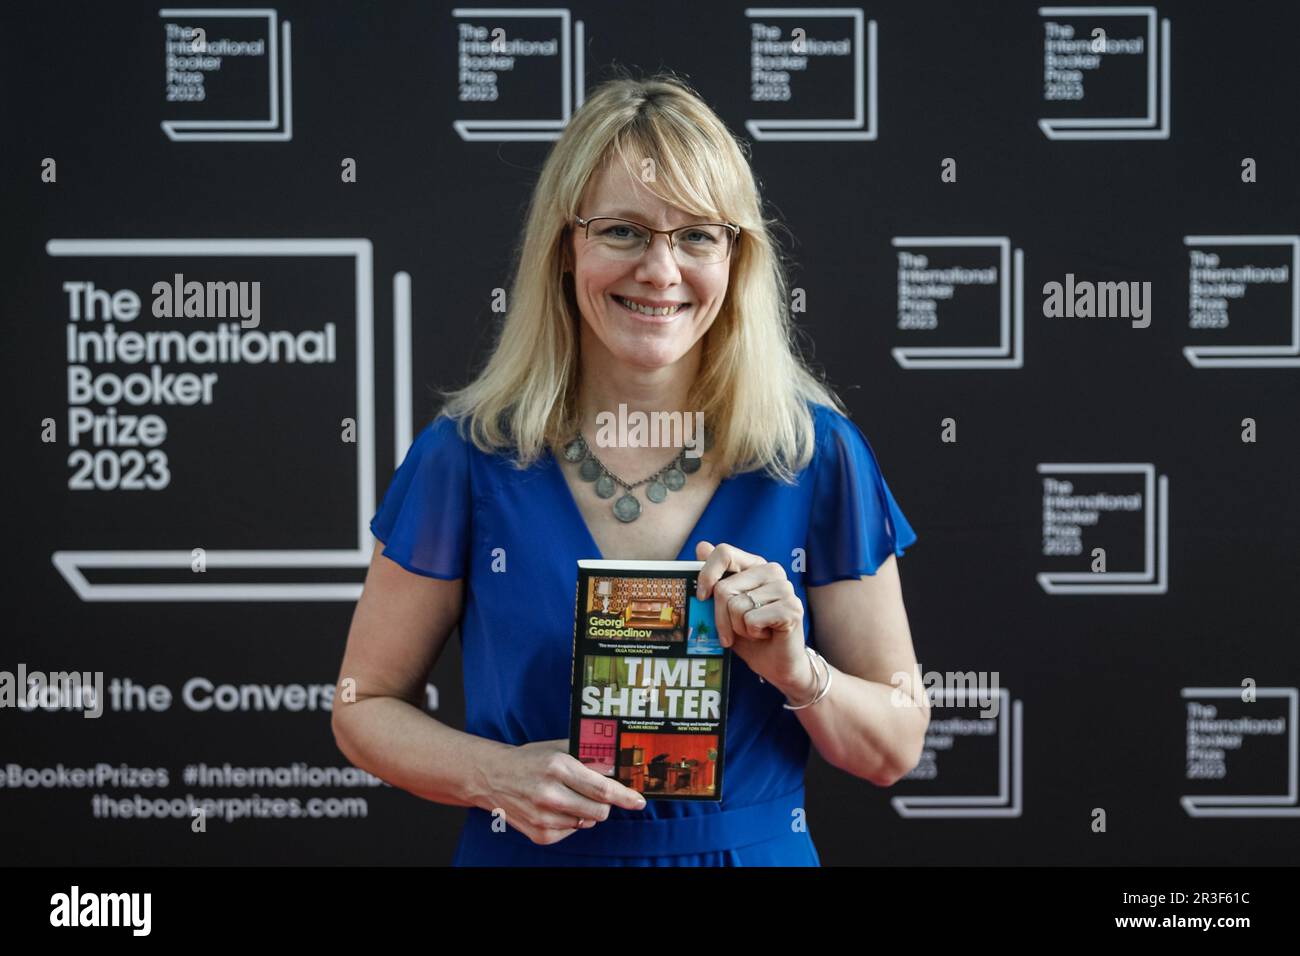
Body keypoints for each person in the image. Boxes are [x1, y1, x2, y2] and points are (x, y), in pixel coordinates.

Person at [331, 70, 929, 866]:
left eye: (697, 235)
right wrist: (494, 775)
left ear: (737, 257)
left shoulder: (813, 455)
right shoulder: (467, 456)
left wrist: (796, 668)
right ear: (564, 244)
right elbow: (360, 706)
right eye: (623, 231)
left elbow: (892, 747)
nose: (660, 269)